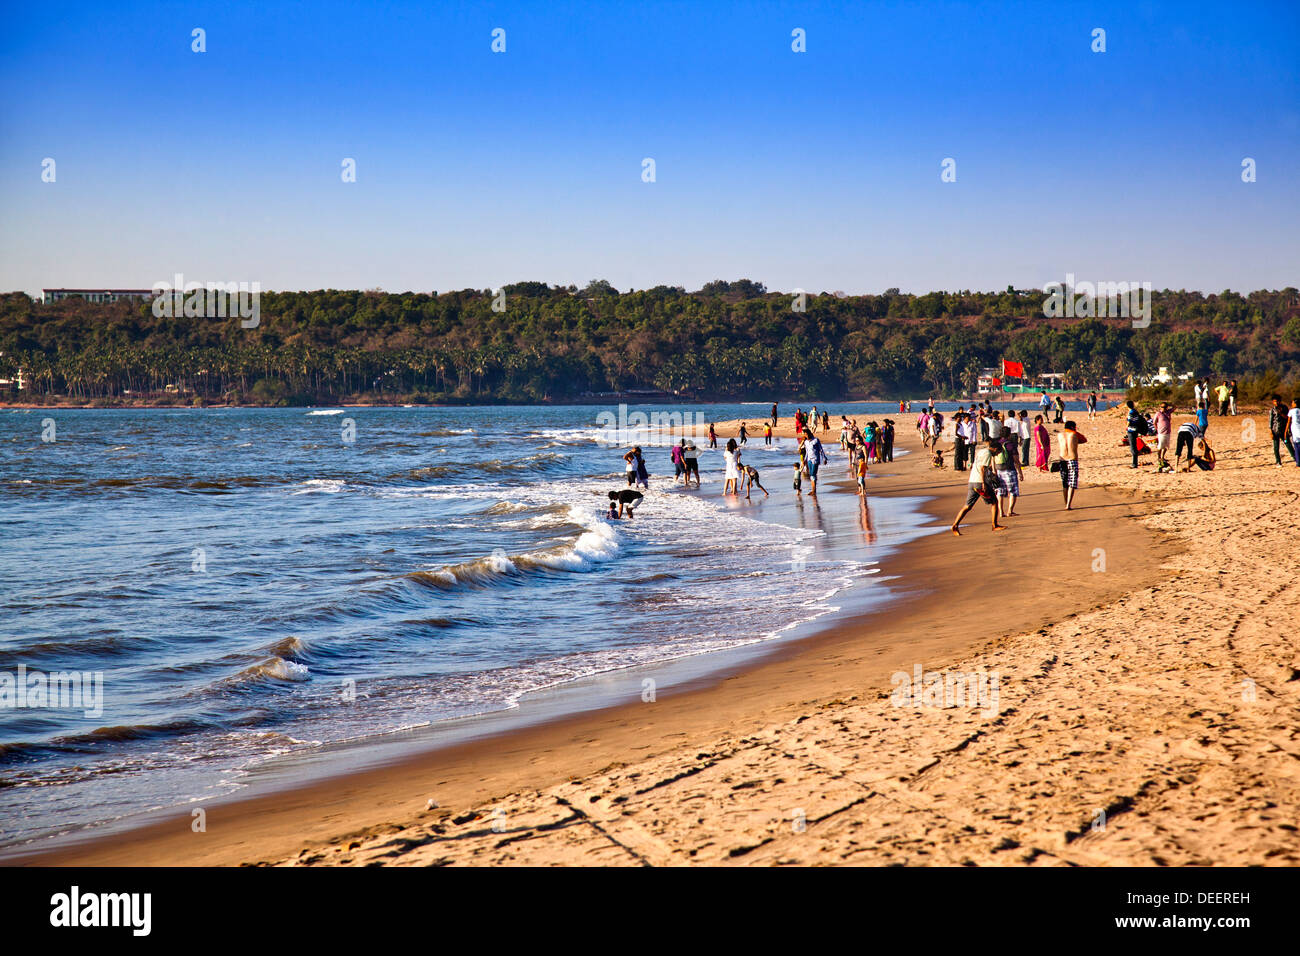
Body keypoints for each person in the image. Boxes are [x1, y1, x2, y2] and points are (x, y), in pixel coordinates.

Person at [950, 438, 1005, 535]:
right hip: (979, 483)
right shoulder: (988, 454)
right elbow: (982, 468)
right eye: (998, 452)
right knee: (994, 502)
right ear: (995, 449)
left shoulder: (982, 451)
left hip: (972, 481)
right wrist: (984, 483)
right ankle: (994, 525)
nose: (997, 454)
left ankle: (955, 525)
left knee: (967, 506)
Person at [1057, 420, 1086, 510]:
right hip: (1072, 460)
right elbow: (1084, 439)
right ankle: (1068, 504)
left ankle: (1066, 503)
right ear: (1073, 427)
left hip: (1062, 460)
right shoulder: (1074, 434)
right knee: (1072, 483)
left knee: (1065, 483)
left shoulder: (1059, 435)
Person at [995, 433, 1022, 517]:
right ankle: (1010, 511)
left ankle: (1000, 512)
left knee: (1000, 492)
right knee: (1013, 491)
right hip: (1010, 470)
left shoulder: (997, 443)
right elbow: (1016, 460)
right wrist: (1020, 473)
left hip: (999, 470)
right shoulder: (1011, 445)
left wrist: (994, 470)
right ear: (1009, 435)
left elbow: (993, 458)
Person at [802, 429, 828, 495]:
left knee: (813, 474)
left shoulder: (816, 440)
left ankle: (814, 490)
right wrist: (804, 460)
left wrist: (824, 458)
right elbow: (807, 452)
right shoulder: (806, 442)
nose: (806, 435)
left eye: (806, 434)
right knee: (811, 474)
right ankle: (813, 489)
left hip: (815, 459)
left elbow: (821, 450)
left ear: (810, 433)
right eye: (804, 434)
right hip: (809, 460)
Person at [1269, 395, 1292, 467]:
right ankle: (1278, 461)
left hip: (1284, 431)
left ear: (1280, 401)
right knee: (1276, 447)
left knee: (1288, 444)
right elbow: (1270, 421)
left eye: (1277, 401)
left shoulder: (1284, 408)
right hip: (1275, 431)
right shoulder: (1272, 410)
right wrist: (1271, 432)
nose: (1276, 403)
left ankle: (1296, 458)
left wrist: (1281, 413)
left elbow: (1288, 418)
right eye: (1274, 401)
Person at [1124, 400, 1144, 469]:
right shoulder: (1135, 411)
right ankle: (1134, 462)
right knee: (1134, 446)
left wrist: (1126, 427)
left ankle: (1134, 463)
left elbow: (1129, 421)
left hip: (1131, 430)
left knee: (1133, 447)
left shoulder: (1131, 412)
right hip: (1136, 430)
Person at [1154, 402, 1173, 472]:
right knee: (1160, 446)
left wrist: (1170, 404)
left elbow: (1175, 407)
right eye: (1162, 407)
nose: (1164, 408)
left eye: (1165, 407)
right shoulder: (1158, 414)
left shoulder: (1168, 412)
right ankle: (1159, 457)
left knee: (1166, 446)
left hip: (1168, 431)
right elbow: (1154, 422)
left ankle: (1162, 457)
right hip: (1161, 432)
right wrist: (1157, 429)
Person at [1289, 396, 1300, 467]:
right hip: (1296, 429)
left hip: (1295, 430)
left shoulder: (1292, 411)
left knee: (1296, 446)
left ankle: (1298, 462)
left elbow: (1288, 421)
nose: (1291, 404)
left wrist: (1287, 430)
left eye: (1292, 403)